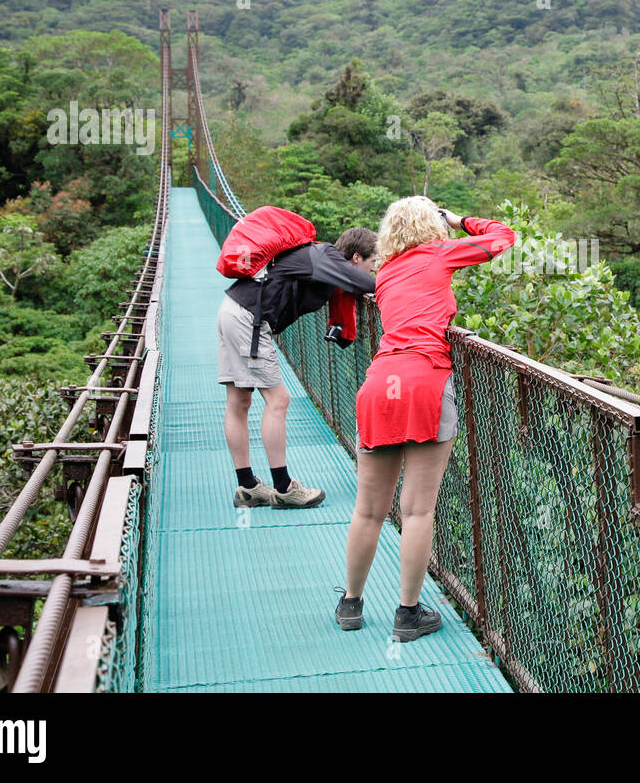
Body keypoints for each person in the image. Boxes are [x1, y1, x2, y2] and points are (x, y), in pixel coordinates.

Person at [334, 198, 515, 642]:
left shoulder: (385, 272)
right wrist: (457, 219)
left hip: (379, 384)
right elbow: (503, 237)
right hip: (425, 381)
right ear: (429, 226)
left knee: (369, 509)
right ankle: (407, 614)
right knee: (417, 510)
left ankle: (351, 604)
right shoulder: (440, 253)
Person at [218, 227, 378, 508]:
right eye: (373, 262)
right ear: (356, 258)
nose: (374, 268)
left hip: (232, 309)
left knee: (238, 401)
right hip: (249, 320)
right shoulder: (325, 256)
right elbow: (367, 284)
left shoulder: (318, 258)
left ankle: (248, 487)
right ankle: (284, 489)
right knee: (278, 399)